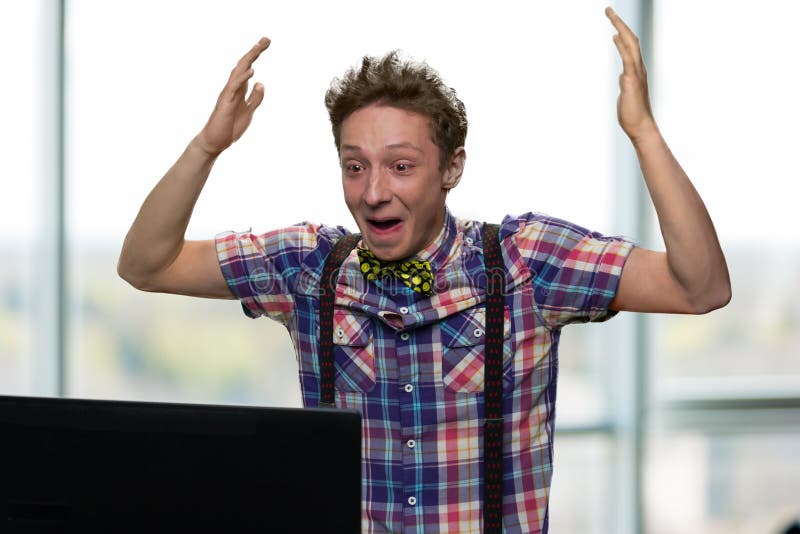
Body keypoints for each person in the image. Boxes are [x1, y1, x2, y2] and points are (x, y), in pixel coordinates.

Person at [118, 7, 730, 533]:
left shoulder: (525, 263)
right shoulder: (307, 268)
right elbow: (147, 263)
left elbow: (701, 287)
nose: (374, 192)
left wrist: (643, 131)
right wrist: (207, 146)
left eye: (401, 166)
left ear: (451, 168)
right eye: (355, 167)